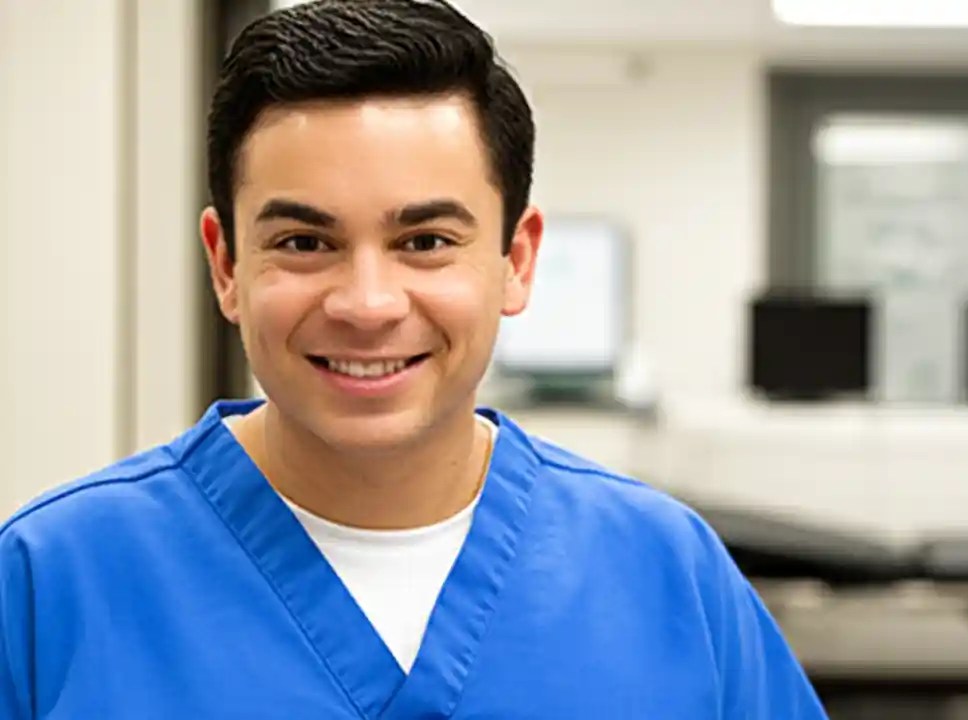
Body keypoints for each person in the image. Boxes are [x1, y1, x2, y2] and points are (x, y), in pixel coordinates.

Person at [0, 1, 828, 717]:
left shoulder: (667, 577)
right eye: (303, 241)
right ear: (225, 266)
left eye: (425, 241)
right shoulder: (50, 587)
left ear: (517, 260)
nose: (367, 303)